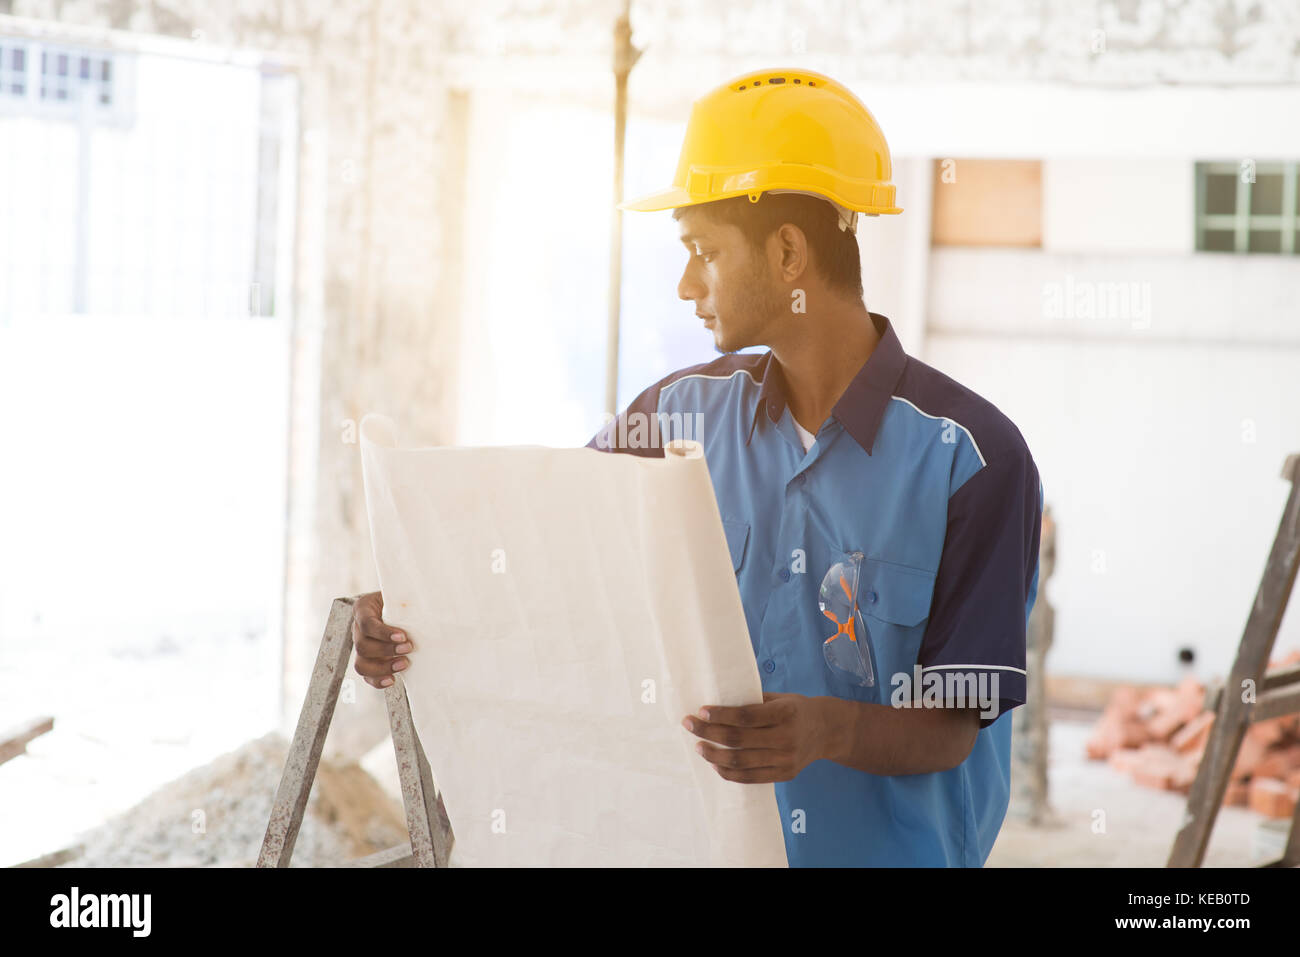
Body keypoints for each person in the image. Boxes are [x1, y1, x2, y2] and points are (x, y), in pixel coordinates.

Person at [353, 67, 1043, 866]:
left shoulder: (974, 459)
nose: (685, 285)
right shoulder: (671, 415)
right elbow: (542, 554)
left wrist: (828, 728)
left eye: (703, 251)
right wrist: (413, 605)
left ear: (788, 253)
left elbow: (956, 722)